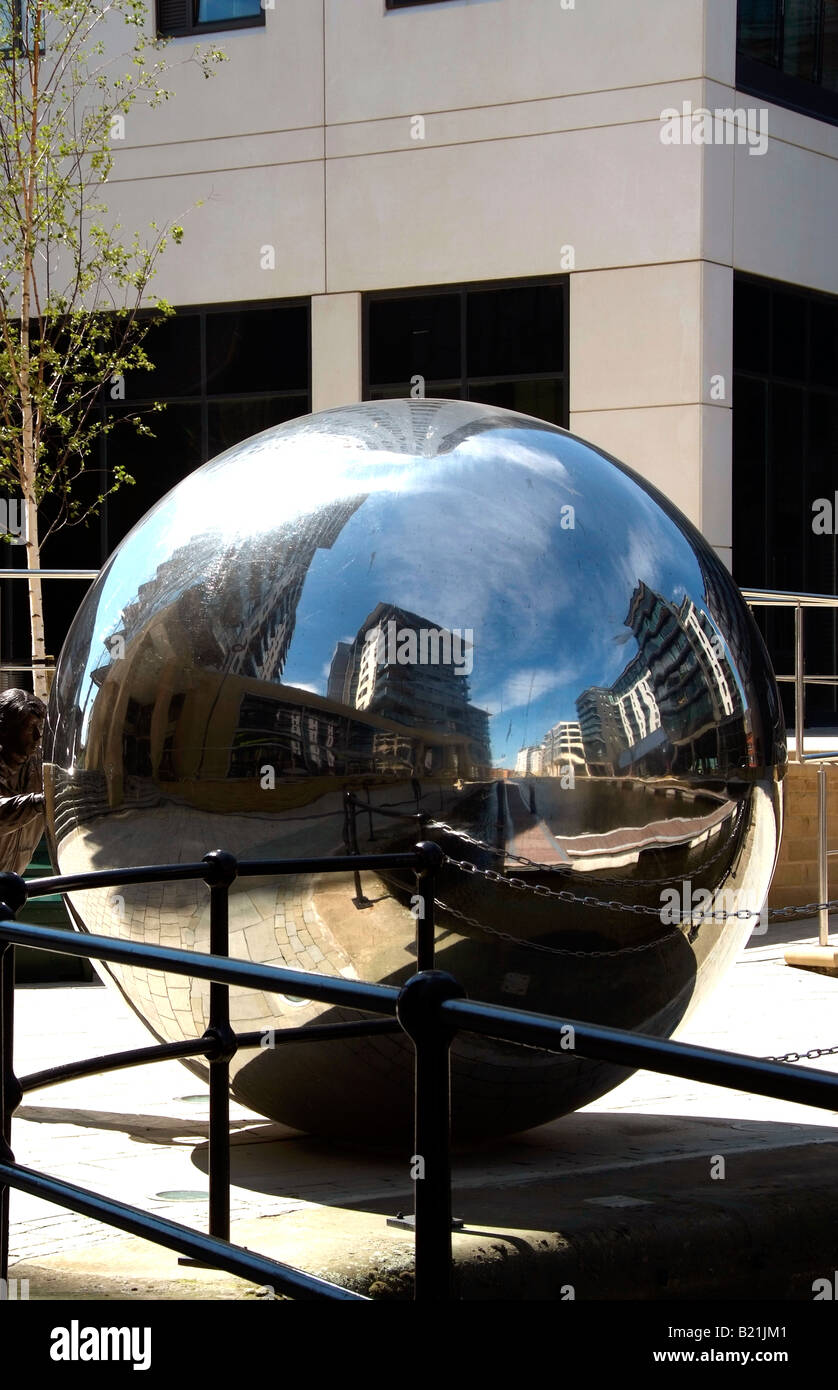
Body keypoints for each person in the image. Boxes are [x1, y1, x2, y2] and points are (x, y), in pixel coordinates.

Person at [0, 689, 47, 875]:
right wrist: (39, 802)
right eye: (30, 727)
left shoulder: (39, 766)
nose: (38, 736)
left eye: (40, 728)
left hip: (11, 882)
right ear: (5, 729)